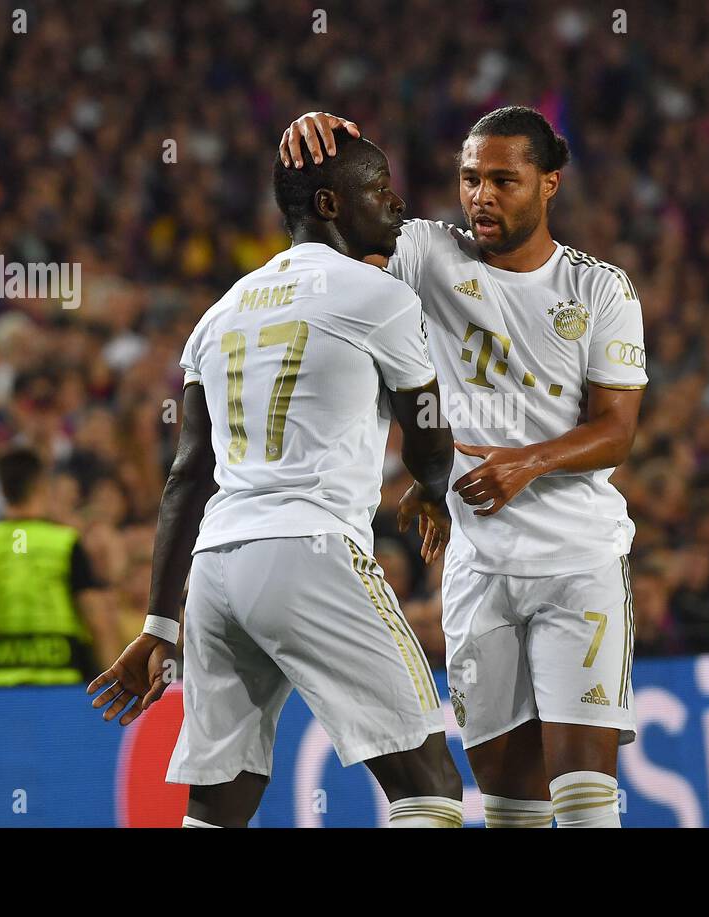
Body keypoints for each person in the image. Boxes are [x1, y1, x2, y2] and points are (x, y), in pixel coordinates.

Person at [282, 107, 646, 827]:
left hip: (580, 562)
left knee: (584, 803)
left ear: (550, 185)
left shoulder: (599, 289)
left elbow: (615, 431)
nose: (481, 195)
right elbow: (329, 228)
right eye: (470, 178)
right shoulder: (426, 254)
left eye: (504, 180)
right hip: (477, 568)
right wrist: (311, 136)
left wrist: (526, 465)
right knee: (510, 809)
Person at [89, 131, 464, 828]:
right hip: (315, 553)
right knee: (430, 786)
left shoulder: (217, 315)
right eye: (378, 191)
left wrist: (158, 622)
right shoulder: (378, 296)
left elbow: (186, 477)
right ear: (330, 203)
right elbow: (430, 432)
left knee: (218, 805)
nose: (395, 203)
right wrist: (432, 485)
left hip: (217, 574)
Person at [0, 446, 114, 686]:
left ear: (0, 489)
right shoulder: (64, 544)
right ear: (41, 486)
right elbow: (98, 621)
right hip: (55, 686)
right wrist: (118, 686)